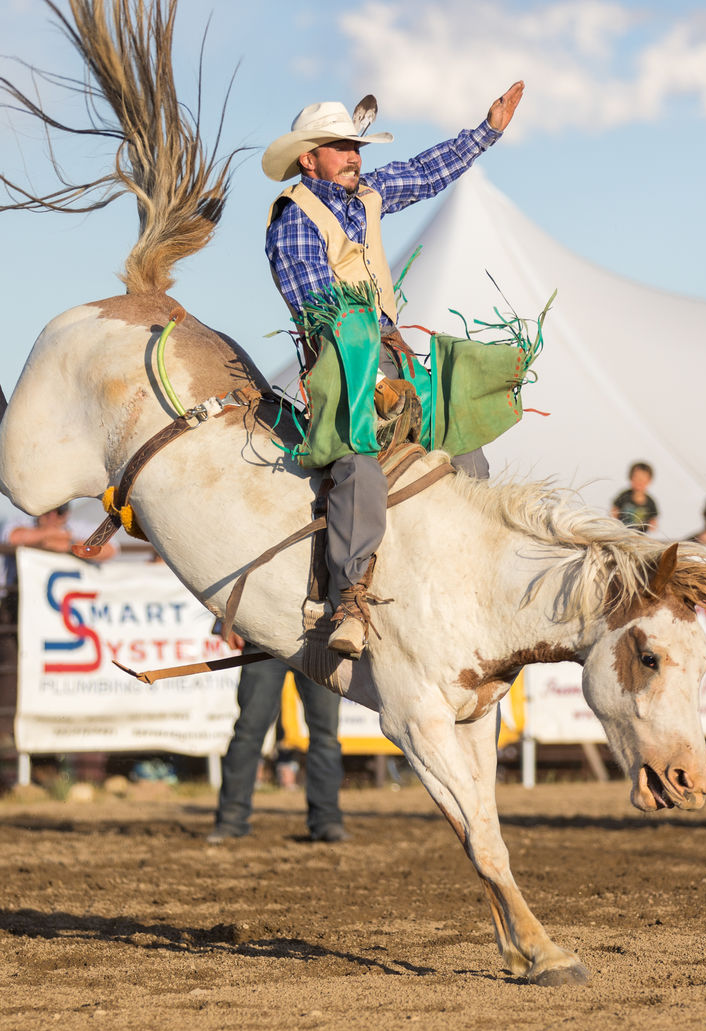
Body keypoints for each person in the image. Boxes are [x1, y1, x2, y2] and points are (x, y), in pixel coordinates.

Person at [263, 81, 525, 657]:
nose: (355, 155)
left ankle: (480, 567)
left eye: (356, 146)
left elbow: (426, 171)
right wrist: (376, 381)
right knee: (358, 458)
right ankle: (352, 596)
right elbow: (317, 312)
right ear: (309, 159)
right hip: (339, 357)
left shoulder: (369, 194)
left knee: (463, 441)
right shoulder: (294, 219)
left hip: (390, 346)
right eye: (340, 147)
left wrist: (487, 131)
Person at [208, 632, 347, 844]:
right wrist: (230, 621)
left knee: (325, 735)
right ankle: (230, 821)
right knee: (248, 732)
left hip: (319, 639)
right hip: (264, 638)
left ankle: (327, 821)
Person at [610, 462, 659, 533]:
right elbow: (614, 511)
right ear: (631, 478)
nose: (639, 481)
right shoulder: (624, 496)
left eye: (643, 479)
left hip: (640, 537)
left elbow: (653, 521)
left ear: (649, 481)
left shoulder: (650, 502)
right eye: (637, 477)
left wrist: (652, 525)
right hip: (621, 533)